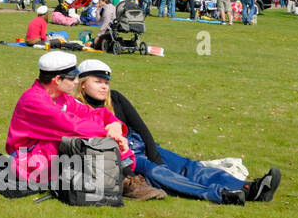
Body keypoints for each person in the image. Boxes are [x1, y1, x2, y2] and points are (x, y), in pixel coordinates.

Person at [75, 60, 280, 205]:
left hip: (142, 146)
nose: (104, 86)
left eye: (106, 82)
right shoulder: (77, 107)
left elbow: (141, 127)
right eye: (97, 81)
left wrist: (155, 155)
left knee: (188, 167)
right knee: (159, 173)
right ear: (83, 84)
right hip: (125, 156)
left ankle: (249, 188)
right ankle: (222, 195)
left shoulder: (116, 98)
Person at [4, 51, 139, 190]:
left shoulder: (61, 97)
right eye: (72, 77)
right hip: (27, 161)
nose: (76, 81)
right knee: (82, 140)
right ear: (57, 79)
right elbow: (73, 127)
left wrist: (115, 125)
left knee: (89, 140)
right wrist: (108, 133)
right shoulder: (34, 100)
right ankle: (127, 181)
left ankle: (129, 179)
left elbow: (93, 113)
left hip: (46, 154)